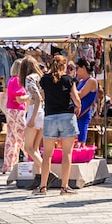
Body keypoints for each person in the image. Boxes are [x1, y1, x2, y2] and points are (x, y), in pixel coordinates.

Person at [34, 55, 82, 195]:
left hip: (50, 117)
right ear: (64, 65)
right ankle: (64, 186)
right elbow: (76, 99)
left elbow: (42, 97)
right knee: (66, 154)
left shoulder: (45, 80)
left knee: (47, 154)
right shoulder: (68, 79)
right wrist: (77, 107)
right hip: (67, 116)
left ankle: (43, 186)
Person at [6, 57, 43, 187]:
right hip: (42, 112)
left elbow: (37, 98)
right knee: (36, 148)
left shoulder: (29, 79)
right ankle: (39, 178)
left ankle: (46, 171)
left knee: (28, 147)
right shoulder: (40, 77)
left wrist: (32, 117)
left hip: (34, 111)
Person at [1, 60, 29, 176]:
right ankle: (30, 158)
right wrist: (31, 96)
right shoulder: (18, 81)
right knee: (22, 136)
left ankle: (8, 164)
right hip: (18, 110)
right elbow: (19, 98)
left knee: (12, 138)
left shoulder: (11, 80)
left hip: (11, 109)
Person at [74, 60, 99, 144]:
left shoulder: (92, 81)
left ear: (83, 68)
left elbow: (79, 95)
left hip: (83, 114)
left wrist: (70, 87)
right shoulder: (81, 81)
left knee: (80, 140)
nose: (76, 71)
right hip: (76, 113)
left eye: (77, 68)